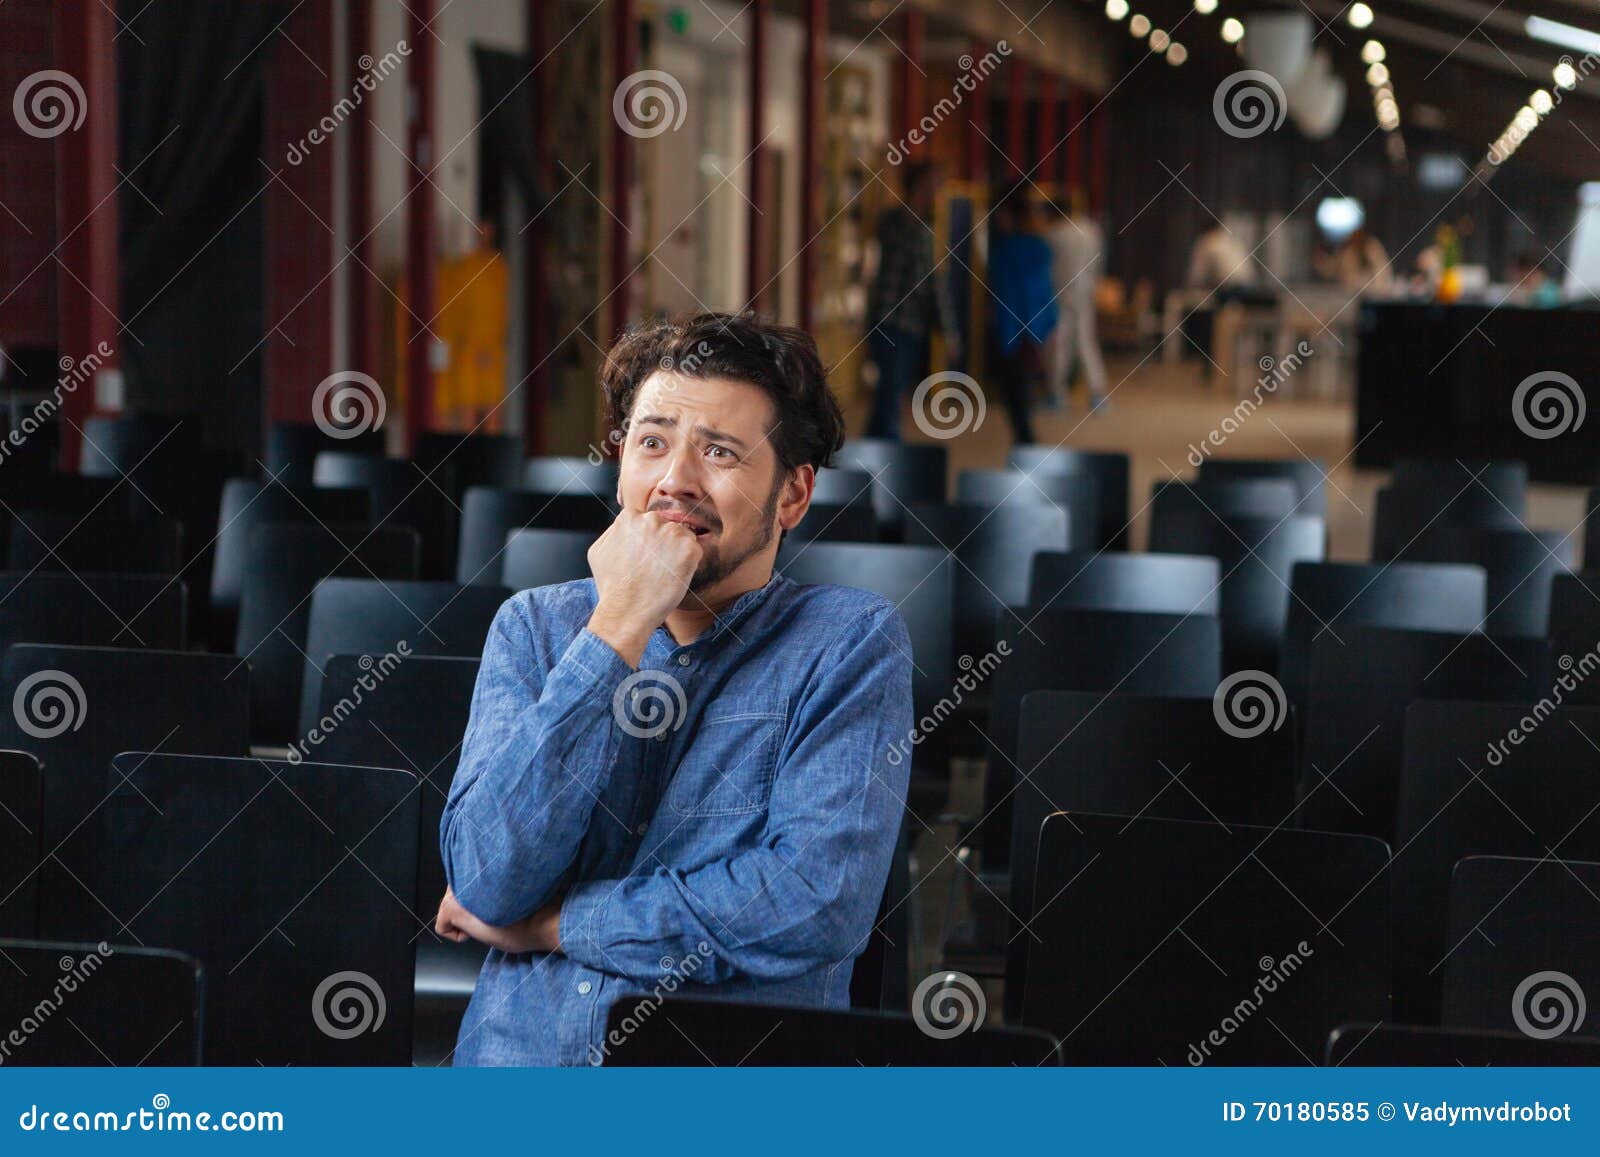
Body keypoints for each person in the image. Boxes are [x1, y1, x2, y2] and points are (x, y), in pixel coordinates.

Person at [433, 312, 914, 1067]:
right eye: (652, 442)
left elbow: (815, 900)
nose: (674, 481)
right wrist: (618, 626)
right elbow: (489, 880)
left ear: (792, 495)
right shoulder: (534, 627)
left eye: (719, 451)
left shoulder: (848, 642)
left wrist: (562, 925)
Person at [864, 161, 962, 439]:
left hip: (885, 322)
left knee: (887, 397)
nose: (938, 193)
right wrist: (950, 330)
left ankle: (875, 453)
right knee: (891, 398)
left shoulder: (892, 222)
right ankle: (886, 458)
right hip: (900, 325)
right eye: (934, 185)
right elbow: (931, 284)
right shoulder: (916, 230)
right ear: (920, 187)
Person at [986, 183, 1058, 444]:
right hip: (1029, 334)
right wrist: (1044, 331)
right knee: (1021, 403)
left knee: (1017, 405)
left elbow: (1018, 296)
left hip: (1014, 336)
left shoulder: (1007, 252)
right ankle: (1025, 450)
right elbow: (1043, 295)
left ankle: (1026, 454)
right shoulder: (1038, 248)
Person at [1045, 196, 1108, 413]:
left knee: (1059, 345)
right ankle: (1098, 394)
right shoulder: (1091, 230)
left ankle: (1057, 395)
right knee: (1086, 342)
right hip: (1085, 291)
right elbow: (1099, 262)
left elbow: (1048, 266)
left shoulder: (1054, 233)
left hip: (1060, 294)